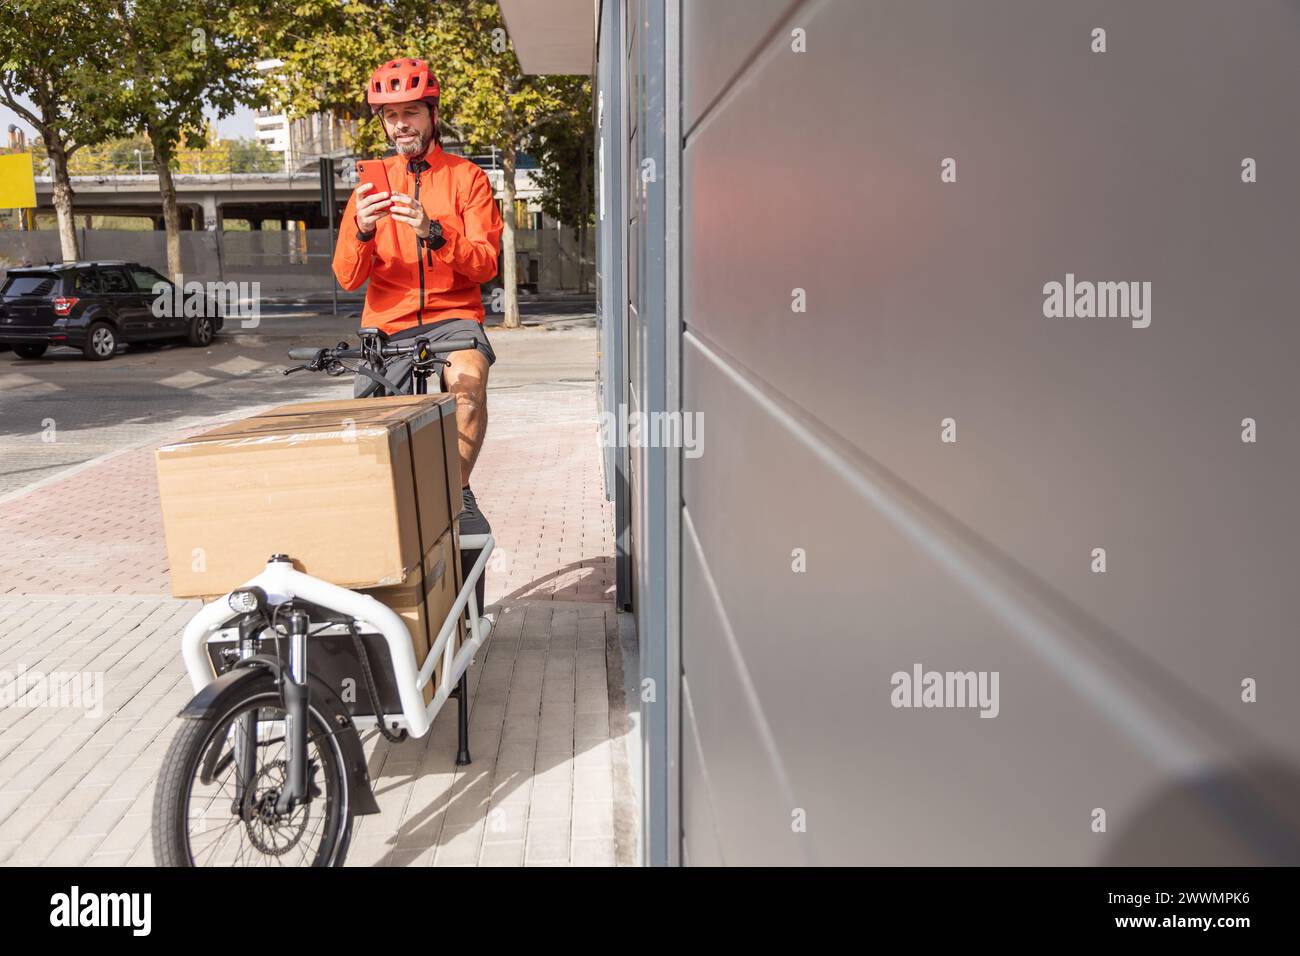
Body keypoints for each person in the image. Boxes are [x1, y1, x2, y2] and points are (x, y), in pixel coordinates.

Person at [332, 57, 503, 542]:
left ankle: (453, 494)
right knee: (371, 437)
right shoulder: (370, 187)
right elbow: (347, 277)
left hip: (454, 316)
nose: (401, 123)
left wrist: (433, 231)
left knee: (467, 388)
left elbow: (485, 263)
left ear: (431, 114)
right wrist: (363, 230)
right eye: (390, 116)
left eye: (410, 112)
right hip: (387, 322)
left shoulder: (468, 179)